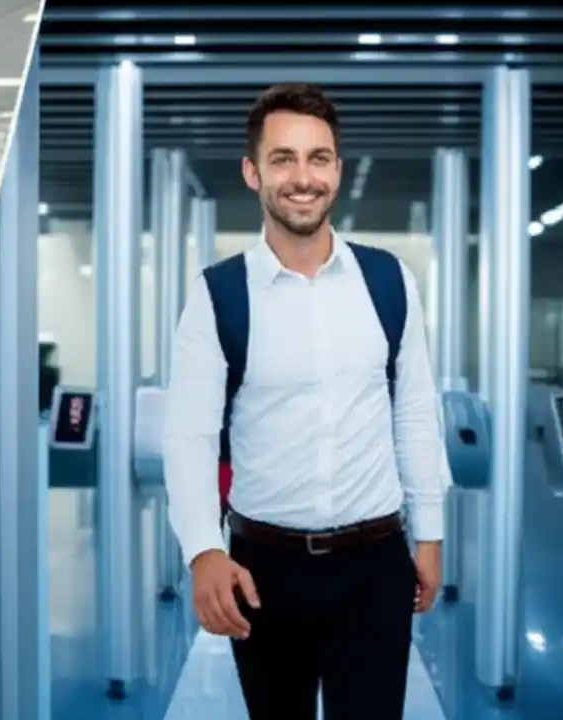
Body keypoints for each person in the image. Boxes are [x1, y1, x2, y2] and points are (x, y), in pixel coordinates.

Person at [161, 84, 449, 719]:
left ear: (337, 170)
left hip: (375, 564)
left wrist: (429, 533)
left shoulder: (388, 280)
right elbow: (189, 436)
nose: (303, 178)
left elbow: (414, 414)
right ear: (253, 172)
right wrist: (204, 550)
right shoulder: (219, 294)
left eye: (318, 158)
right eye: (283, 158)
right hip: (264, 571)